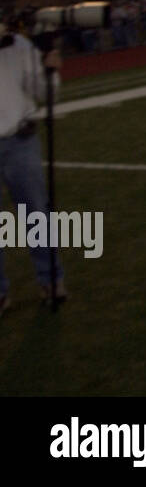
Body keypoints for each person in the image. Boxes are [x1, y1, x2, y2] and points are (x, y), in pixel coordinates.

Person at [0, 21, 66, 315]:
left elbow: (44, 91)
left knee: (36, 213)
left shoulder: (18, 46)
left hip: (20, 141)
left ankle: (51, 279)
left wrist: (50, 70)